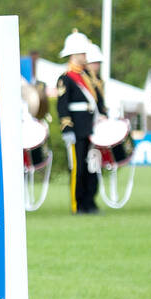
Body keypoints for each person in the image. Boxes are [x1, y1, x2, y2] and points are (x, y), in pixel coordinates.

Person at [55, 30, 99, 214]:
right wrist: (67, 129)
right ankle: (78, 204)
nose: (85, 56)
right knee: (78, 167)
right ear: (73, 55)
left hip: (92, 127)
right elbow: (62, 106)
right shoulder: (65, 78)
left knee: (92, 167)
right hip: (77, 128)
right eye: (82, 53)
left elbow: (98, 100)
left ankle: (90, 202)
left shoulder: (88, 76)